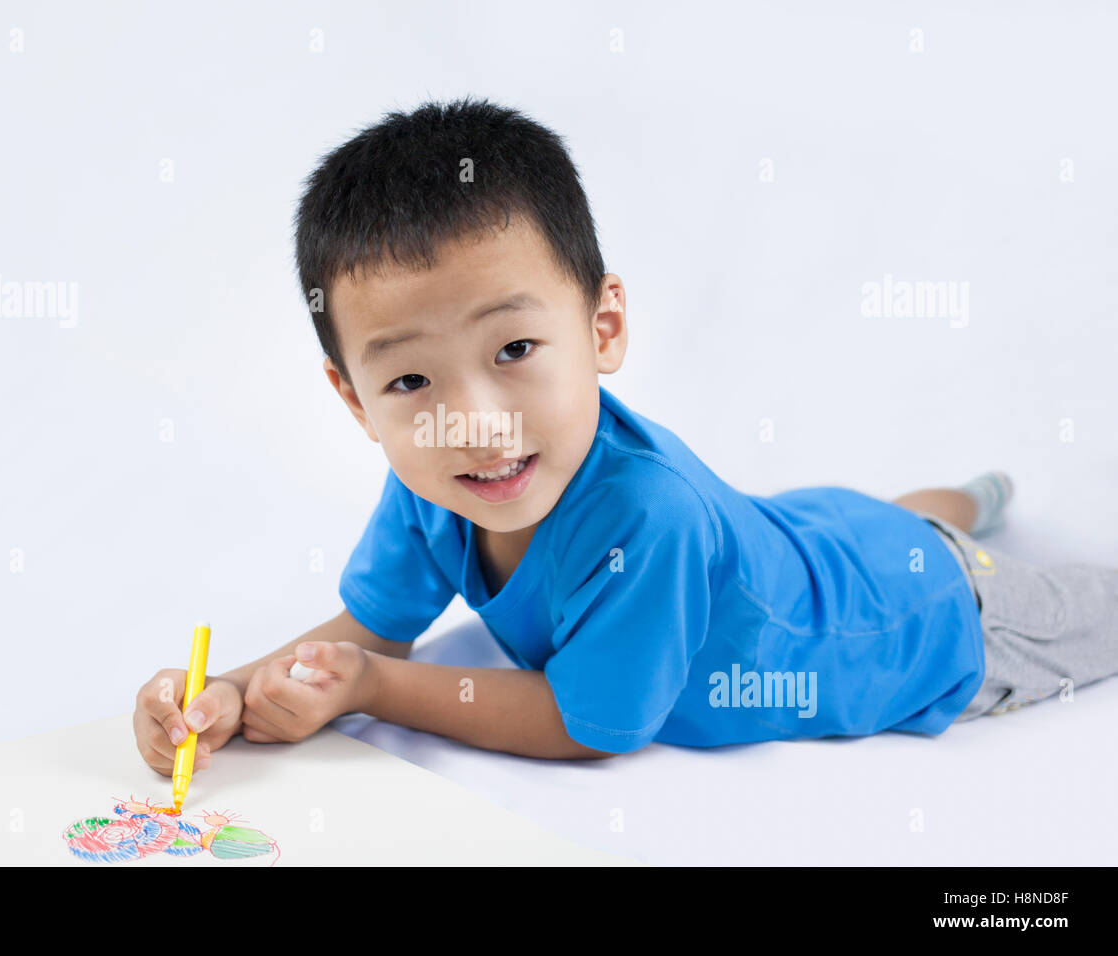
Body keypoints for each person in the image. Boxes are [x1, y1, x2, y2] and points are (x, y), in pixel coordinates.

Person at [132, 97, 1118, 766]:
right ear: (356, 400)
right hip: (800, 531)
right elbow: (369, 626)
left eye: (514, 348)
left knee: (975, 570)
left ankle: (964, 525)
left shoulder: (651, 518)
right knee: (875, 520)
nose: (471, 418)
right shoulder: (433, 478)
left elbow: (585, 721)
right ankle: (968, 499)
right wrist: (221, 694)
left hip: (921, 621)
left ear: (601, 329)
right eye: (409, 377)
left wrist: (371, 690)